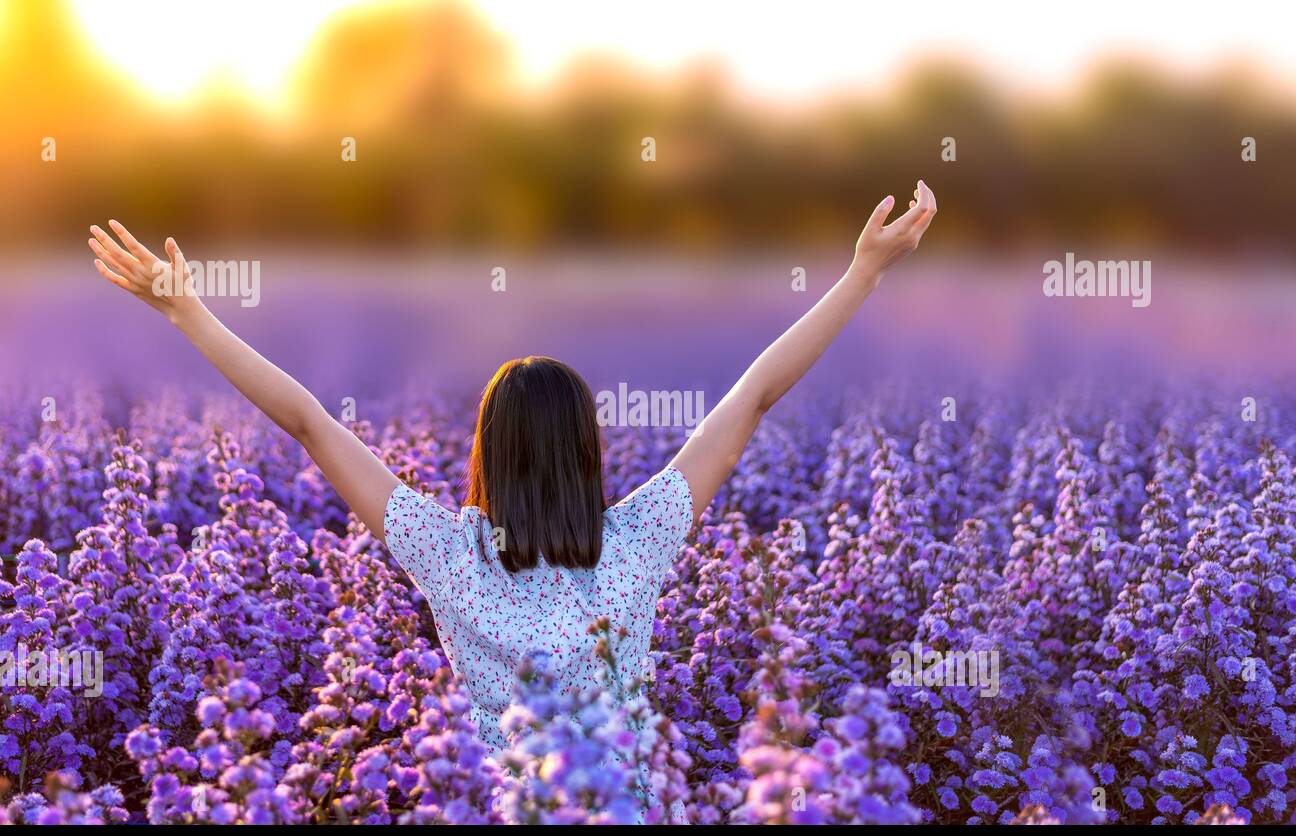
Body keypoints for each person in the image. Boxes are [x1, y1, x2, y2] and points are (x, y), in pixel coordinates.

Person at [88, 180, 937, 749]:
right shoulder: (635, 543)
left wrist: (188, 313)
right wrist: (862, 273)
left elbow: (309, 422)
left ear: (486, 454)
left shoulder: (447, 554)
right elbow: (753, 396)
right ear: (587, 453)